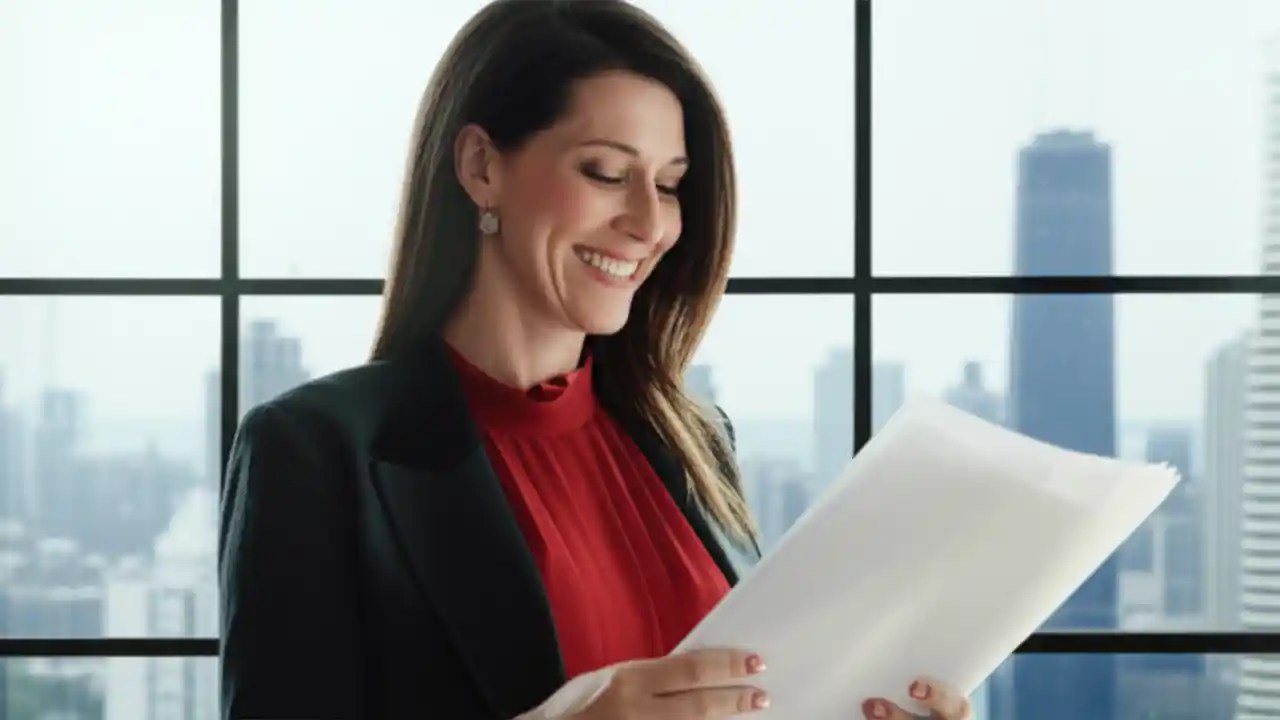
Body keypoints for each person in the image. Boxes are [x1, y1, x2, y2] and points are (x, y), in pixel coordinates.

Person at [218, 1, 973, 718]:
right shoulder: (314, 452)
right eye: (607, 173)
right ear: (481, 166)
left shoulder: (698, 439)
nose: (649, 223)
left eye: (670, 185)